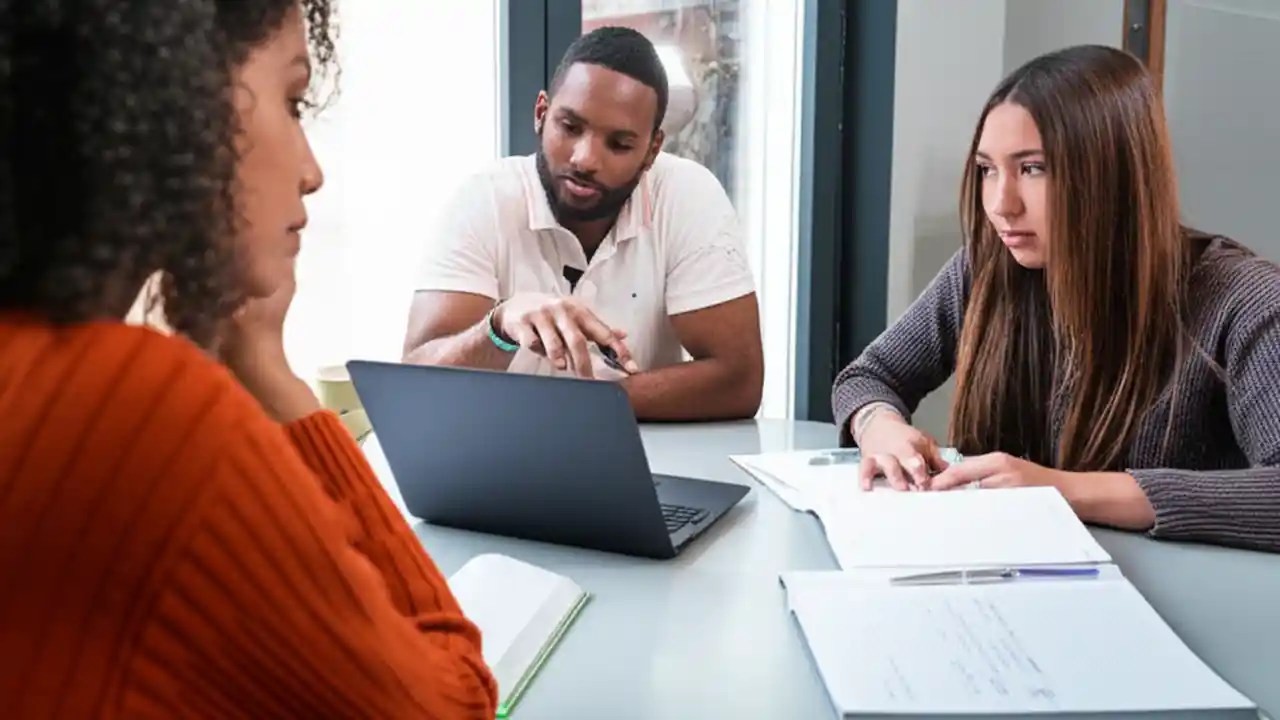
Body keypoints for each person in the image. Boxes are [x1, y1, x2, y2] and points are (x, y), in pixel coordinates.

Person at [0, 2, 497, 717]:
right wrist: (267, 364)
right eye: (293, 103)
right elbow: (455, 707)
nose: (312, 171)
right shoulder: (134, 411)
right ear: (177, 101)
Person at [831, 45, 1280, 554]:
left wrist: (1066, 490)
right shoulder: (986, 270)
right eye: (987, 169)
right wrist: (878, 427)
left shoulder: (1243, 298)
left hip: (1182, 610)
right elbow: (869, 377)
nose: (1001, 205)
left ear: (1114, 174)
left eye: (1033, 169)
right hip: (1006, 580)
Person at [402, 27, 764, 421]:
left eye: (619, 144)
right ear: (542, 114)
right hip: (497, 458)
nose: (585, 159)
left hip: (645, 462)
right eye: (570, 127)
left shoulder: (688, 195)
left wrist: (572, 407)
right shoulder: (483, 199)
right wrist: (500, 324)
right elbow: (414, 387)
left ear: (652, 150)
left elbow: (739, 381)